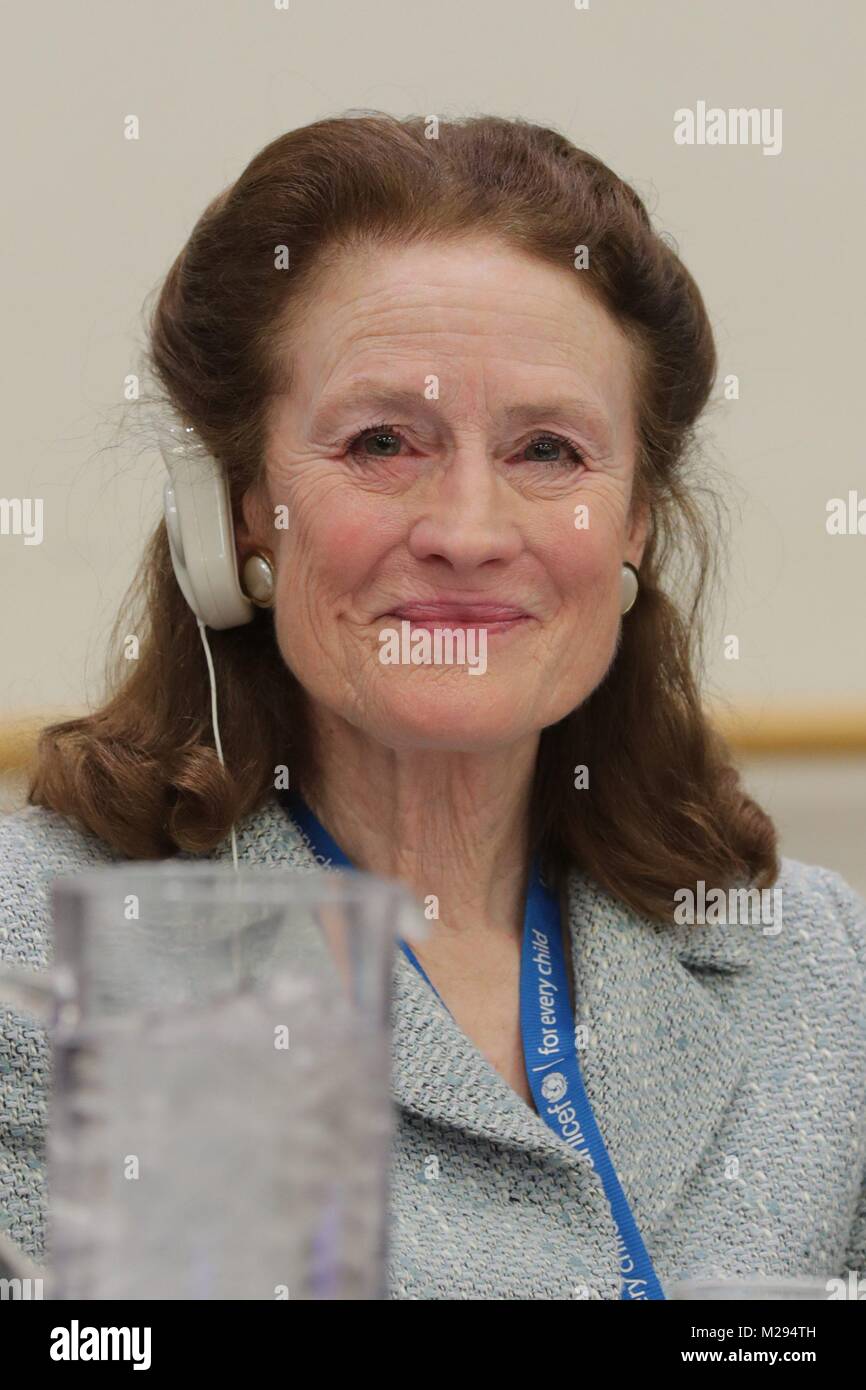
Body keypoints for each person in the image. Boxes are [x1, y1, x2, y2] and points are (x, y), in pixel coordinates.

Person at [1, 113, 864, 1299]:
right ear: (240, 511)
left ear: (633, 524)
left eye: (549, 452)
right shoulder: (40, 954)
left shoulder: (812, 962)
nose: (465, 532)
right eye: (382, 442)